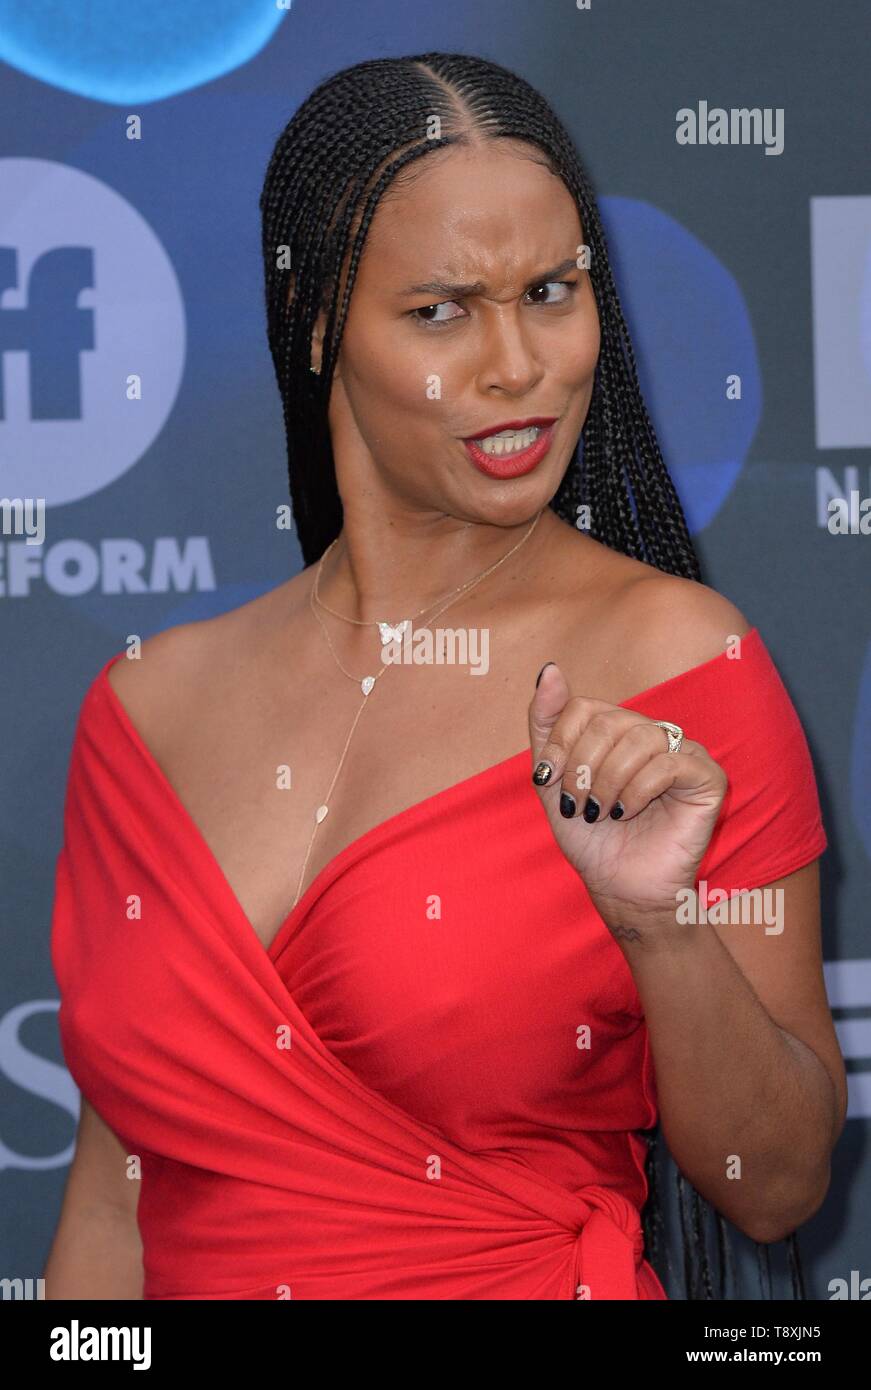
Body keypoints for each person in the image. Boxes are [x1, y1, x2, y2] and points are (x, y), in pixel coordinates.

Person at [46, 51, 846, 1301]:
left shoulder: (678, 661)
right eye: (441, 310)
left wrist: (659, 927)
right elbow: (113, 1196)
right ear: (318, 322)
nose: (518, 364)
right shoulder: (148, 708)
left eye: (549, 291)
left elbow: (776, 1180)